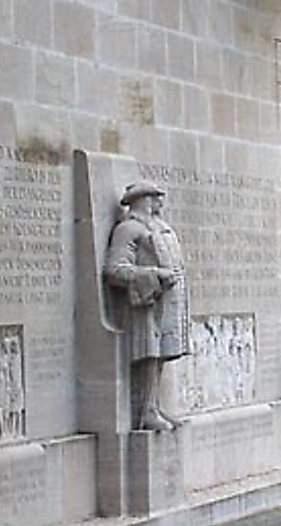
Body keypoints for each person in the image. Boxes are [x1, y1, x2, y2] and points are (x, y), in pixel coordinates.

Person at [105, 180, 190, 431]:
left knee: (161, 354)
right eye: (155, 197)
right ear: (144, 199)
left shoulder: (161, 228)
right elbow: (115, 270)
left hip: (165, 301)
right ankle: (145, 411)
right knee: (149, 355)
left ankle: (153, 406)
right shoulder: (128, 229)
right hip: (145, 301)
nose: (160, 202)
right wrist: (154, 275)